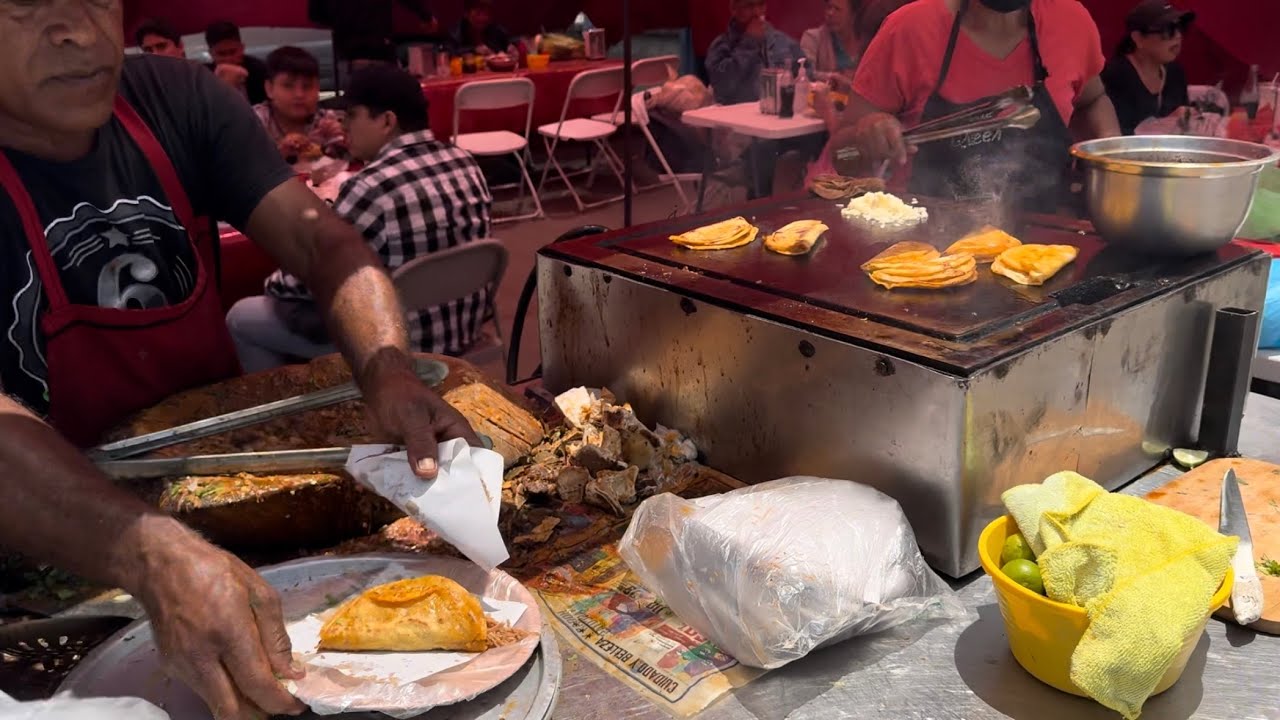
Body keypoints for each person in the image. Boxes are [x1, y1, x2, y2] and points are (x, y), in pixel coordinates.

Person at [0, 3, 478, 719]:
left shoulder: (173, 98)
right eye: (29, 6)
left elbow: (324, 243)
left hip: (213, 504)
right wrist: (147, 553)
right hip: (46, 542)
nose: (78, 31)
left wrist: (387, 368)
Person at [228, 65, 492, 371]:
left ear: (387, 121)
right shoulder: (465, 161)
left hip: (397, 346)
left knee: (242, 316)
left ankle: (287, 415)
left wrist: (274, 281)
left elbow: (301, 282)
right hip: (464, 330)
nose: (343, 127)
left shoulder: (371, 186)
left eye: (351, 116)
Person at [830, 0, 1121, 213]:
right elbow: (842, 155)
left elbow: (1092, 100)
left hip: (1048, 245)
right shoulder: (910, 28)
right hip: (927, 250)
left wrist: (1114, 168)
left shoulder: (1071, 21)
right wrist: (864, 137)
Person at [1101, 0, 1194, 136]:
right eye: (1168, 30)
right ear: (1138, 38)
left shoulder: (1175, 72)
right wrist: (1164, 124)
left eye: (1180, 27)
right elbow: (1115, 134)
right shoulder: (1116, 76)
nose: (1178, 36)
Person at [254, 46, 347, 162]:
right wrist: (280, 152)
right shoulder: (255, 122)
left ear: (318, 88)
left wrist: (344, 140)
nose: (299, 94)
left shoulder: (328, 120)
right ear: (269, 89)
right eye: (288, 86)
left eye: (307, 86)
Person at [706, 0, 804, 106]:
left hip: (782, 117)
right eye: (749, 5)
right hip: (737, 119)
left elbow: (807, 73)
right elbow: (722, 89)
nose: (757, 12)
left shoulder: (783, 41)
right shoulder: (721, 46)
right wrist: (750, 42)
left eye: (761, 4)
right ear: (734, 9)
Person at [205, 20, 269, 105]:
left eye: (233, 52)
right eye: (221, 54)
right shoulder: (204, 77)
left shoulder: (259, 71)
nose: (228, 59)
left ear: (242, 48)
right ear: (211, 54)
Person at [801, 0, 862, 80]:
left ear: (853, 15)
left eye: (837, 9)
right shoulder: (813, 38)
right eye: (829, 7)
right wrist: (834, 78)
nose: (830, 13)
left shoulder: (865, 41)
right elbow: (805, 73)